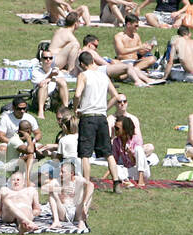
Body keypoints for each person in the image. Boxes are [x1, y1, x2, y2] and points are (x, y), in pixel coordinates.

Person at [73, 51, 123, 191]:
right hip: (101, 117)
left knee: (85, 154)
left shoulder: (83, 75)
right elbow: (116, 96)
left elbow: (77, 94)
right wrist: (105, 108)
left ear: (82, 64)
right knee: (108, 152)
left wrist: (76, 108)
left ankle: (86, 183)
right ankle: (116, 181)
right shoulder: (103, 76)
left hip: (87, 117)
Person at [79, 34, 159, 86]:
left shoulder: (81, 52)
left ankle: (148, 80)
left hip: (100, 71)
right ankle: (138, 81)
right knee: (127, 67)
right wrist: (115, 67)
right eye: (96, 46)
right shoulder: (90, 51)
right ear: (89, 44)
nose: (96, 48)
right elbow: (104, 63)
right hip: (101, 70)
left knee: (131, 69)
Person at [43, 160, 94, 228]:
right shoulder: (58, 181)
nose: (60, 174)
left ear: (71, 173)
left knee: (89, 195)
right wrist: (61, 189)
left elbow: (91, 185)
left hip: (77, 211)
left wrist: (85, 203)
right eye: (60, 171)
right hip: (63, 212)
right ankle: (56, 221)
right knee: (52, 192)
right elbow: (44, 188)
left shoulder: (78, 180)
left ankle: (82, 221)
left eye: (63, 172)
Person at [30, 51, 70, 119]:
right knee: (43, 85)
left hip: (53, 98)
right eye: (45, 58)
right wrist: (51, 76)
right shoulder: (36, 72)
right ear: (41, 59)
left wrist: (51, 79)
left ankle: (66, 109)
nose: (48, 60)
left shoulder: (56, 71)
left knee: (62, 82)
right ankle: (41, 112)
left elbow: (63, 82)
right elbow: (40, 84)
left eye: (50, 58)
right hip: (39, 98)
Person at [112, 115, 148, 188]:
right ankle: (127, 181)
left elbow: (136, 161)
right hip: (129, 170)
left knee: (139, 149)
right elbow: (114, 161)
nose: (115, 130)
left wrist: (130, 153)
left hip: (142, 170)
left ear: (125, 129)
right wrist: (104, 177)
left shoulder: (136, 139)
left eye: (117, 128)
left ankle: (141, 179)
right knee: (116, 168)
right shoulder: (116, 141)